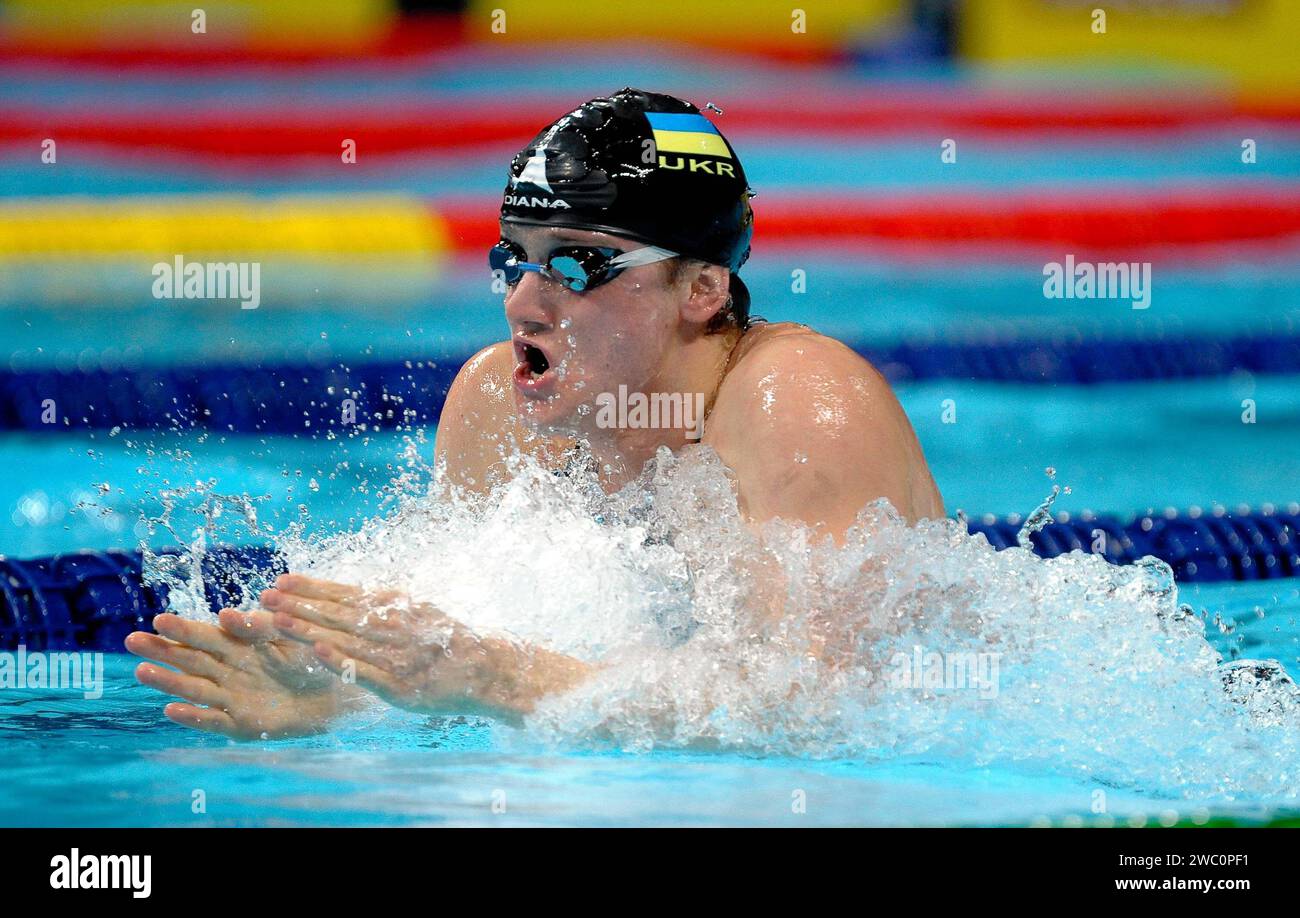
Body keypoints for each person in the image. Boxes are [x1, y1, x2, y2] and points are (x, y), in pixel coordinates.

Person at [125, 88, 943, 739]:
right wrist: (345, 704)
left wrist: (496, 678)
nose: (524, 300)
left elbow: (818, 710)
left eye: (578, 266)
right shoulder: (494, 405)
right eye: (512, 257)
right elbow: (469, 673)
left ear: (701, 289)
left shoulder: (795, 406)